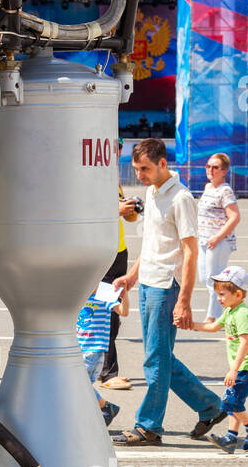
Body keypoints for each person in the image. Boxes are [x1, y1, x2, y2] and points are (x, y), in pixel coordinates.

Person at [113, 137, 225, 446]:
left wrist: (185, 301)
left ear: (163, 163)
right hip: (149, 282)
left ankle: (149, 426)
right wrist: (131, 276)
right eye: (136, 169)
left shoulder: (181, 198)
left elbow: (190, 252)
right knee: (160, 357)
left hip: (167, 287)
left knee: (155, 358)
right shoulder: (151, 192)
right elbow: (151, 242)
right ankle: (210, 406)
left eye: (145, 168)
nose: (140, 175)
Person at [189, 266, 248, 452]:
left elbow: (245, 343)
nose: (218, 298)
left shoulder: (242, 314)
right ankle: (231, 438)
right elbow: (213, 327)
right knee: (233, 402)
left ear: (237, 294)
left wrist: (234, 369)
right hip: (241, 365)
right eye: (217, 294)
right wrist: (191, 325)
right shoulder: (230, 311)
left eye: (222, 294)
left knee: (231, 402)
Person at [98, 182, 141, 391]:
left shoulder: (113, 178)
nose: (118, 149)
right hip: (100, 251)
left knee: (113, 312)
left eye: (120, 146)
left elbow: (128, 218)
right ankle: (107, 372)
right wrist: (116, 210)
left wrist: (130, 211)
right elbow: (82, 211)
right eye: (117, 146)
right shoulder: (89, 173)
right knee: (105, 313)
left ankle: (105, 370)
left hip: (118, 251)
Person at [77, 281, 129, 428]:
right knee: (78, 384)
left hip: (94, 349)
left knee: (79, 384)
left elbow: (123, 312)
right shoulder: (78, 295)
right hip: (77, 348)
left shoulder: (104, 295)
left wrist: (124, 295)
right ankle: (101, 409)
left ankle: (105, 407)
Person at [197, 152, 240, 320]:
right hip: (204, 241)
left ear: (224, 171)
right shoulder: (209, 188)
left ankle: (213, 317)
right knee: (204, 278)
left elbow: (235, 217)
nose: (210, 170)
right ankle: (229, 306)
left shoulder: (225, 191)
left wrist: (218, 237)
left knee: (213, 279)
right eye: (208, 166)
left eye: (215, 167)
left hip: (219, 242)